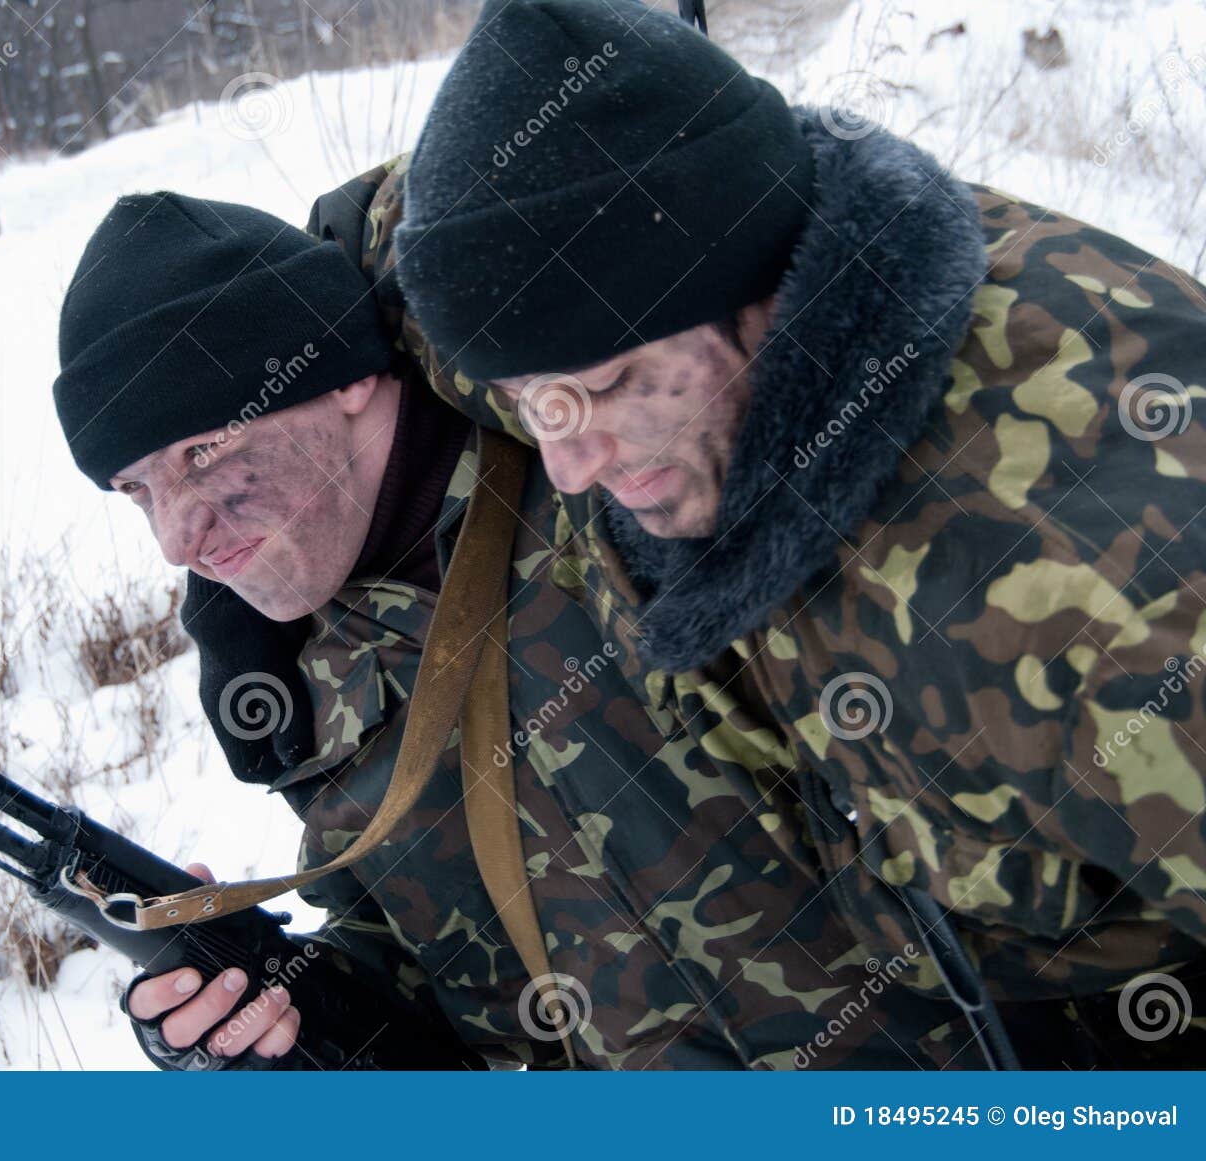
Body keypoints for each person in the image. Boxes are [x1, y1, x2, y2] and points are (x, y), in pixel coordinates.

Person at [54, 150, 1041, 1068]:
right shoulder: (305, 686)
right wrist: (263, 1015)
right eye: (136, 489)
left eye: (202, 452)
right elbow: (442, 994)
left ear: (346, 376)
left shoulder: (616, 471)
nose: (177, 538)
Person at [394, 0, 1206, 1066]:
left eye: (605, 388)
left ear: (764, 297)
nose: (569, 468)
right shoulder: (705, 294)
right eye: (529, 399)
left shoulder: (1096, 615)